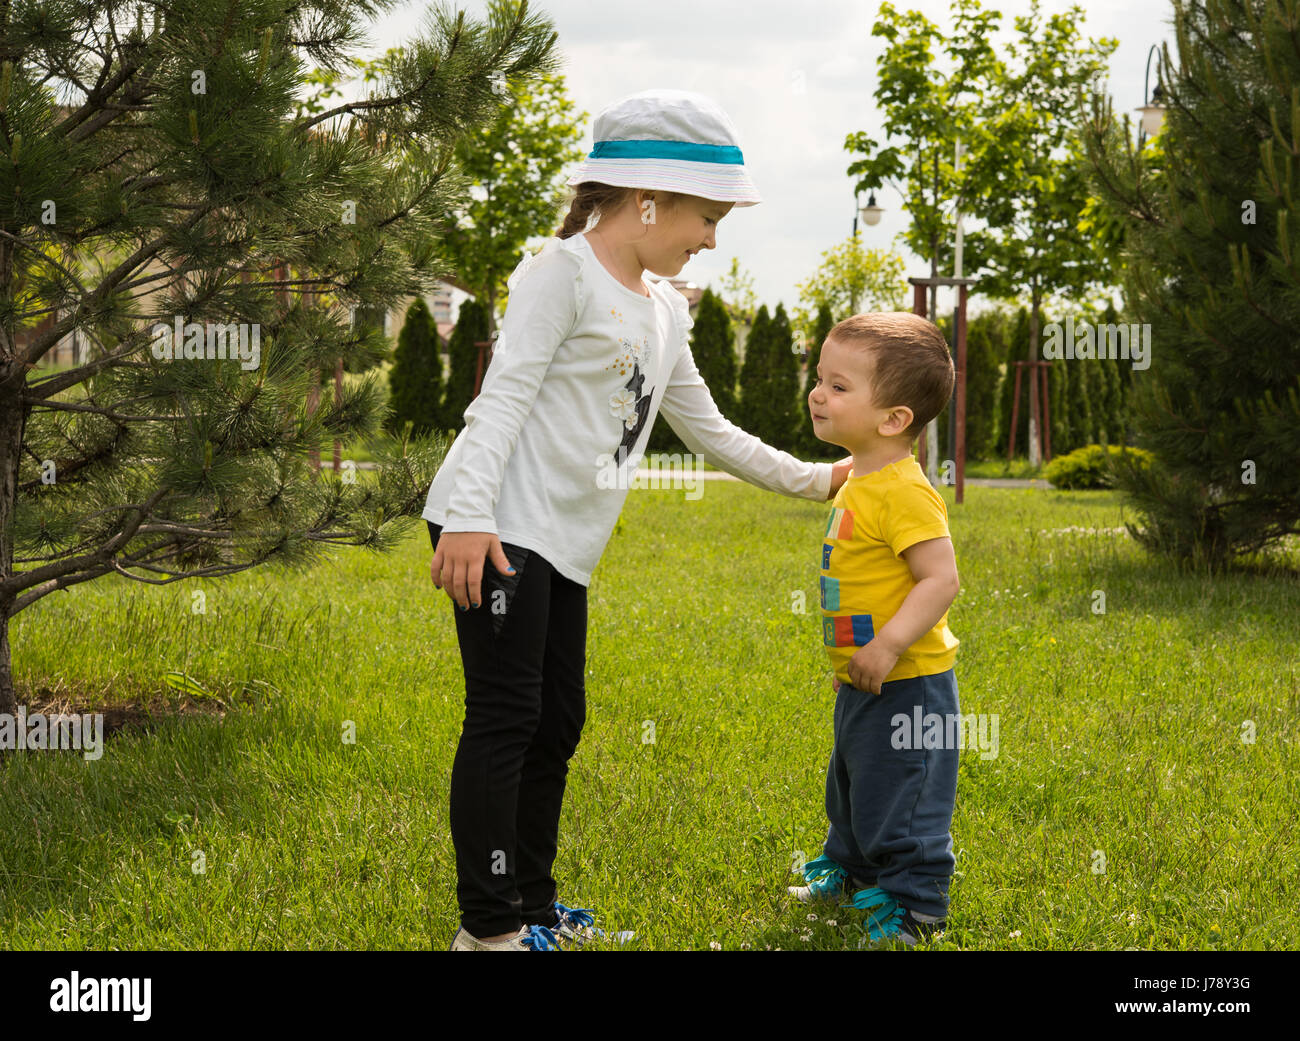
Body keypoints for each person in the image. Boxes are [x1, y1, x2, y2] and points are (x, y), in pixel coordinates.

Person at [423, 88, 852, 951]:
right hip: (499, 523)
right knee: (507, 716)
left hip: (561, 544)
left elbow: (709, 427)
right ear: (647, 197)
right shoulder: (561, 272)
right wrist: (468, 514)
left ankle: (535, 911)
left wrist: (816, 480)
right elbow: (499, 401)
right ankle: (488, 931)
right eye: (705, 216)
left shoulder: (662, 308)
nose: (710, 239)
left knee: (560, 718)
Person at [789, 311, 961, 948]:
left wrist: (887, 646)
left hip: (911, 684)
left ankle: (914, 907)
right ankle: (851, 871)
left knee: (904, 799)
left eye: (839, 386)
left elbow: (940, 580)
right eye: (819, 379)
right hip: (866, 679)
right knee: (855, 784)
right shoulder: (859, 478)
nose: (817, 393)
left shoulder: (905, 492)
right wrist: (854, 663)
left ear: (894, 420)